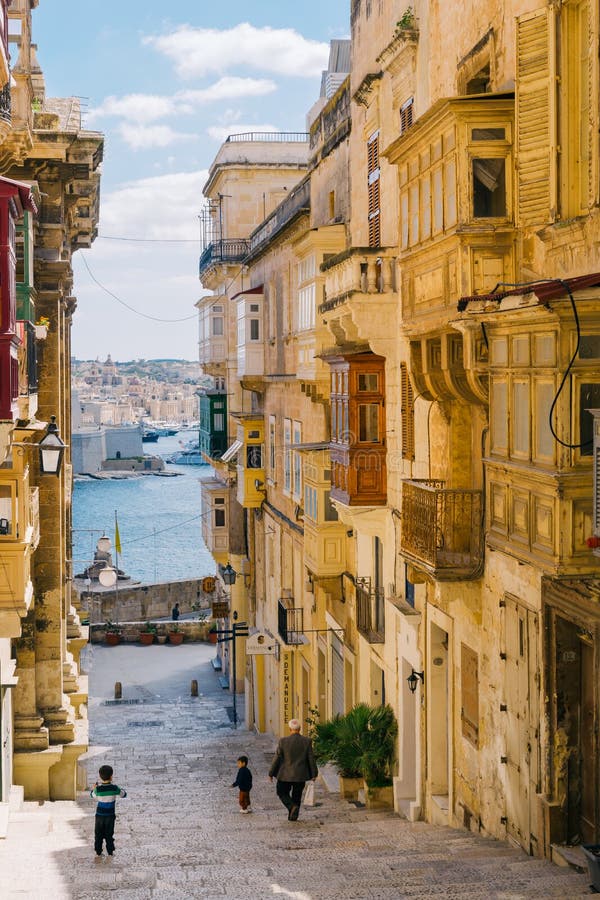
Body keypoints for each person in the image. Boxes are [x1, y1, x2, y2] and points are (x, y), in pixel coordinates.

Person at [268, 718, 318, 821]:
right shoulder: (307, 741)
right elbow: (311, 758)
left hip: (285, 774)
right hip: (300, 774)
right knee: (297, 795)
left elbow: (276, 758)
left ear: (290, 729)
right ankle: (293, 815)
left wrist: (271, 773)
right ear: (299, 729)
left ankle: (291, 807)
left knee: (281, 792)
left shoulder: (283, 741)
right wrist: (314, 773)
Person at [90, 764, 127, 861]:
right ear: (111, 776)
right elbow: (123, 794)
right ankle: (110, 851)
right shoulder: (114, 788)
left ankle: (98, 851)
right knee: (109, 834)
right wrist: (121, 790)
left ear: (100, 776)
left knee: (98, 834)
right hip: (110, 816)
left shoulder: (98, 789)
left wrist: (93, 788)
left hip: (99, 816)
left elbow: (92, 795)